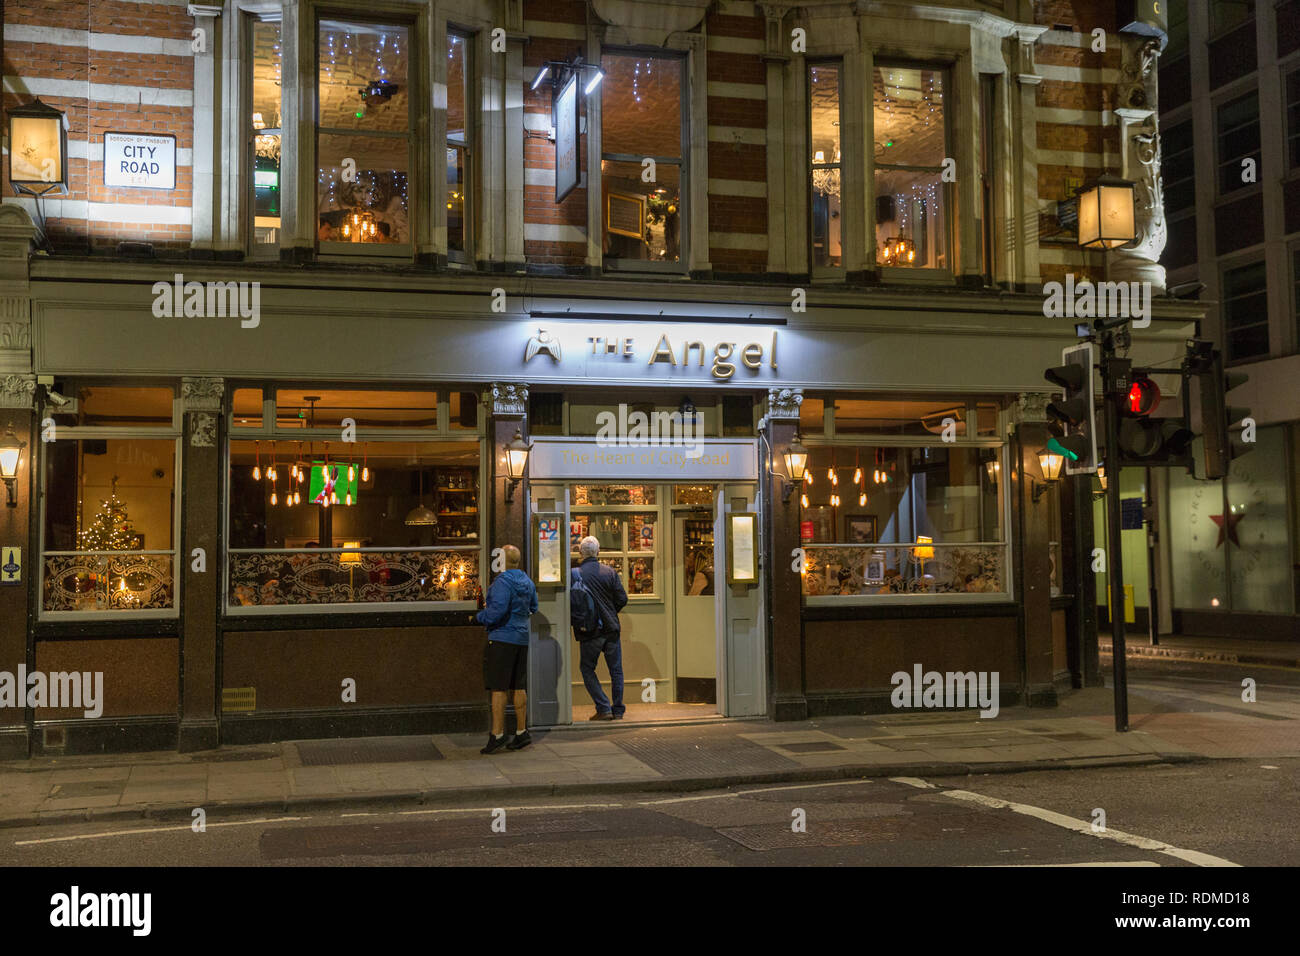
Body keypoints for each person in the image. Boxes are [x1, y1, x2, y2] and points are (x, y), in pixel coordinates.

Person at [473, 544, 538, 754]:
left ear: (502, 560)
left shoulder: (502, 582)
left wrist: (479, 617)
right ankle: (521, 732)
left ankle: (497, 734)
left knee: (498, 688)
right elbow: (534, 607)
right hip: (521, 639)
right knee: (519, 686)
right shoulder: (527, 582)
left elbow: (496, 611)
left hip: (502, 639)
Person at [575, 535, 628, 720]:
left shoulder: (576, 573)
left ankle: (603, 707)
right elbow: (623, 599)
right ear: (598, 552)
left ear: (581, 552)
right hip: (611, 628)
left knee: (587, 668)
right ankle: (618, 710)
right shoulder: (610, 572)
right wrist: (611, 612)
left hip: (590, 631)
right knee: (616, 670)